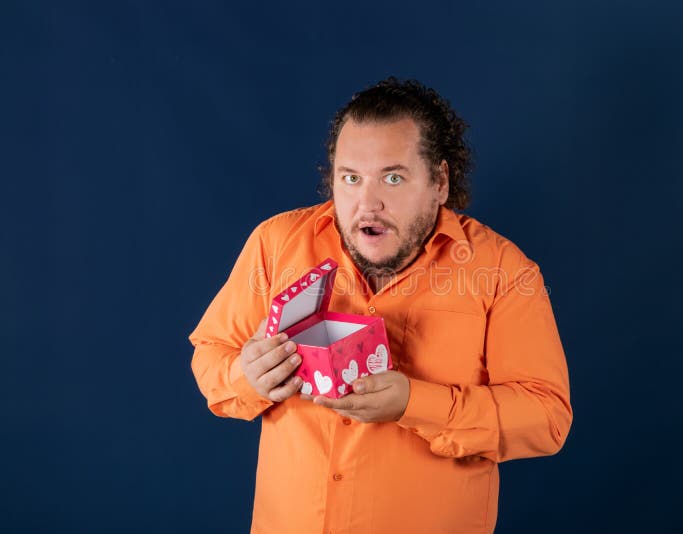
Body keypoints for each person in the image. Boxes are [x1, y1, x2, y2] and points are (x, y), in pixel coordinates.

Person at [189, 77, 572, 533]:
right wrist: (247, 377)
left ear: (440, 182)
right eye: (351, 178)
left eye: (393, 177)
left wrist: (416, 403)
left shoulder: (506, 271)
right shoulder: (276, 244)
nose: (367, 203)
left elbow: (546, 418)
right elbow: (211, 358)